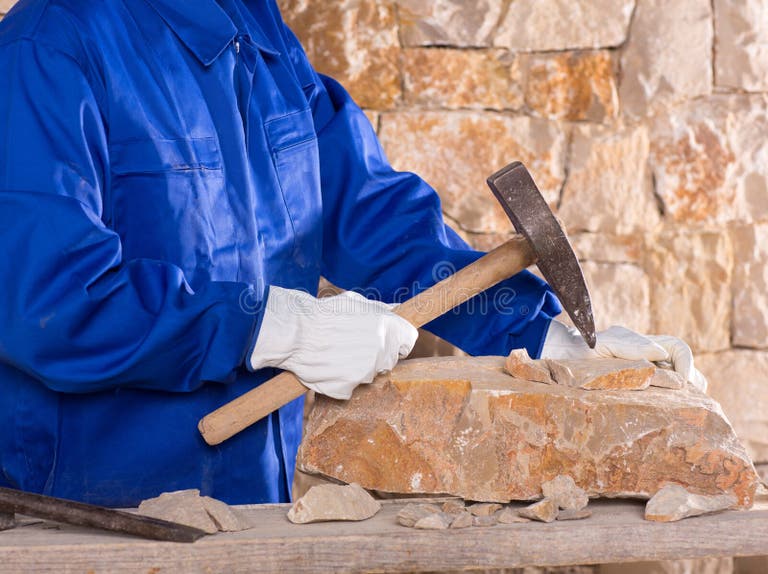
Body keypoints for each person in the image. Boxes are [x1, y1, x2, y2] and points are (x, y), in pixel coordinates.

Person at [0, 0, 705, 507]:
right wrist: (269, 327)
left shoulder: (263, 40)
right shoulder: (50, 48)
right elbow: (44, 300)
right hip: (91, 514)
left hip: (255, 509)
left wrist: (540, 335)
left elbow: (376, 222)